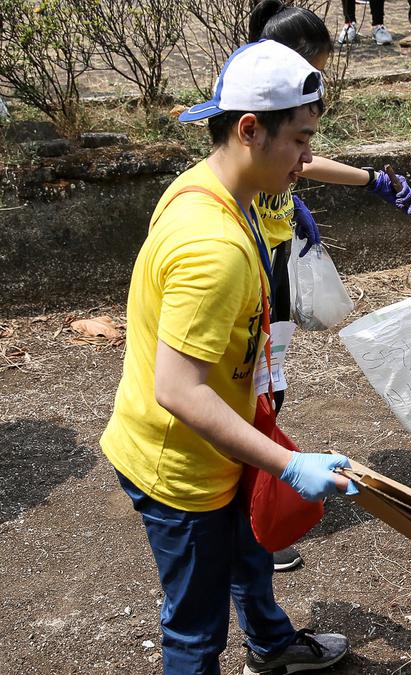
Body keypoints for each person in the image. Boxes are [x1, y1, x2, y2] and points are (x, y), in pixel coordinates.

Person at [100, 40, 355, 674]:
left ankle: (271, 644)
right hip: (180, 468)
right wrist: (287, 463)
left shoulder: (205, 188)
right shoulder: (212, 246)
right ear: (250, 130)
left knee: (247, 554)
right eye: (299, 140)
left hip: (219, 445)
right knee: (195, 629)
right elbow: (179, 389)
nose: (306, 159)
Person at [248, 0, 411, 572]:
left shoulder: (272, 118)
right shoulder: (255, 114)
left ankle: (255, 512)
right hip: (254, 267)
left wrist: (372, 179)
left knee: (269, 387)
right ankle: (255, 521)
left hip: (274, 258)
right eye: (313, 67)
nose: (316, 84)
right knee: (254, 392)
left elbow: (304, 160)